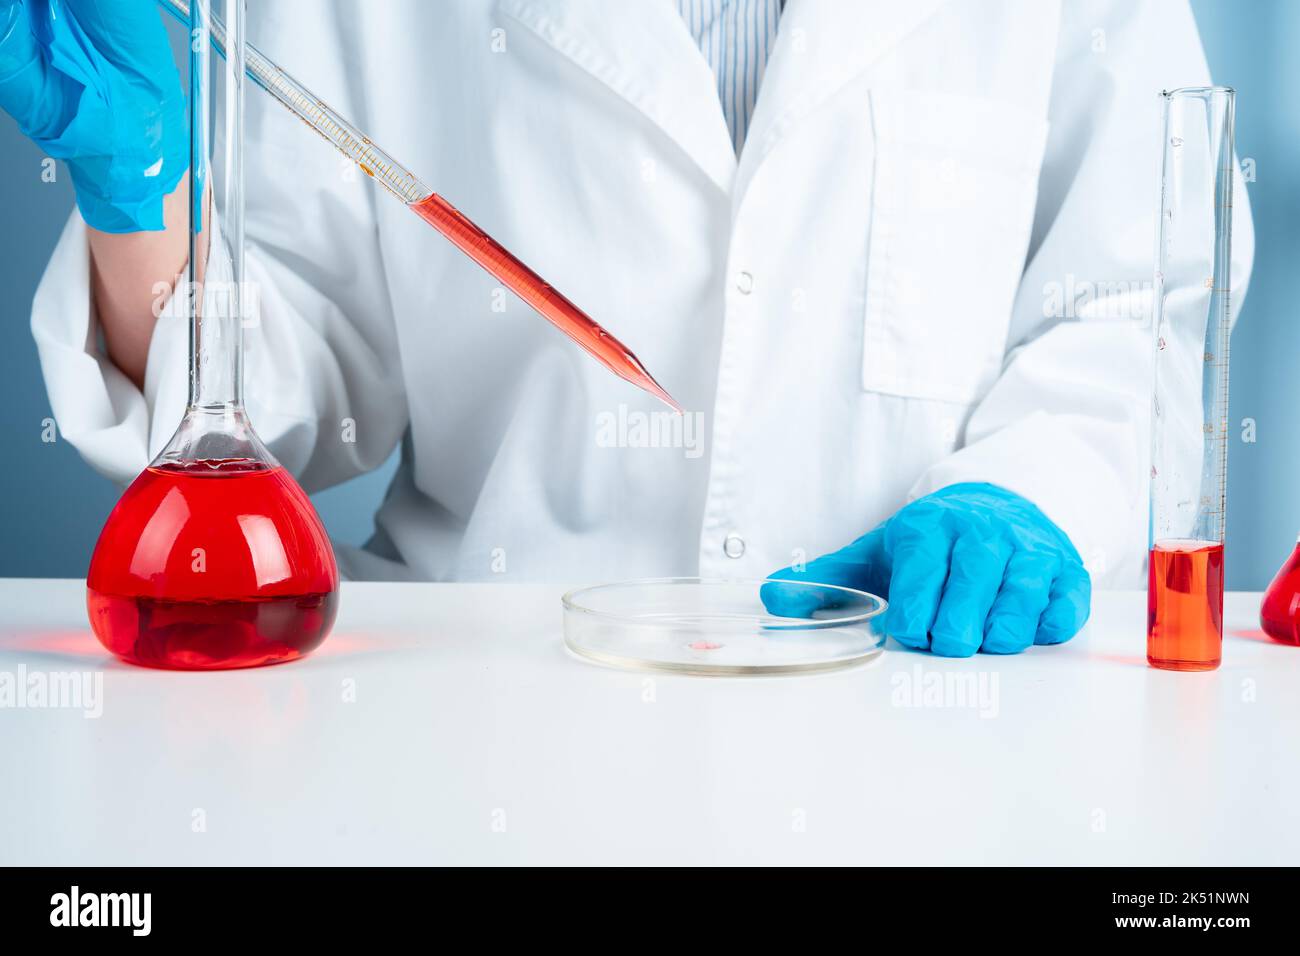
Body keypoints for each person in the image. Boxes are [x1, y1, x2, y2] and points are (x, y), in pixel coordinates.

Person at [3, 0, 1253, 656]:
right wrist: (137, 188)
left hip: (925, 700)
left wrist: (1030, 493)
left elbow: (1139, 292)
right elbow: (271, 374)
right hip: (477, 721)